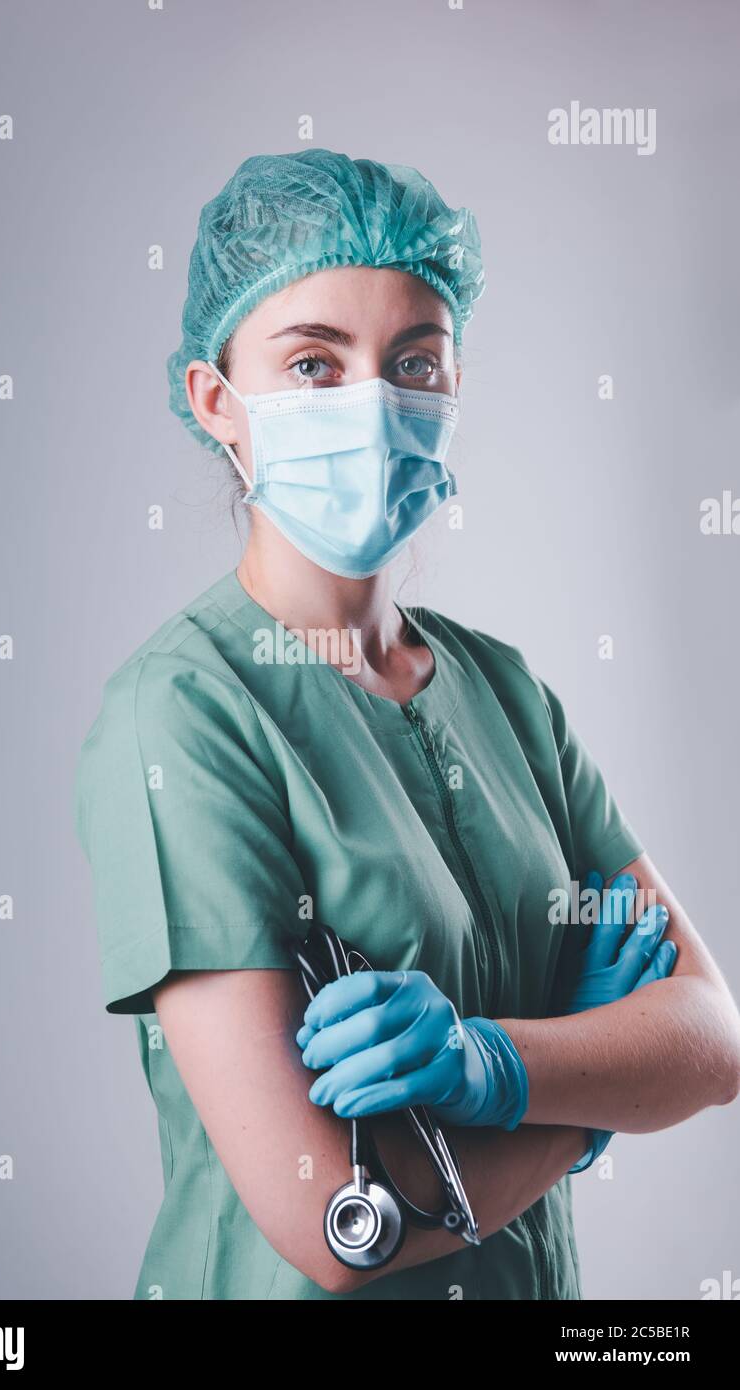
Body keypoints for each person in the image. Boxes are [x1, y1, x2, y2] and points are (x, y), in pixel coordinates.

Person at [73, 149, 740, 1300]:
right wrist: (574, 1095)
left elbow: (711, 1037)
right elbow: (342, 1225)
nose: (372, 406)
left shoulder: (505, 692)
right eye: (314, 363)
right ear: (217, 401)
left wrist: (494, 1067)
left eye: (414, 361)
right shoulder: (180, 715)